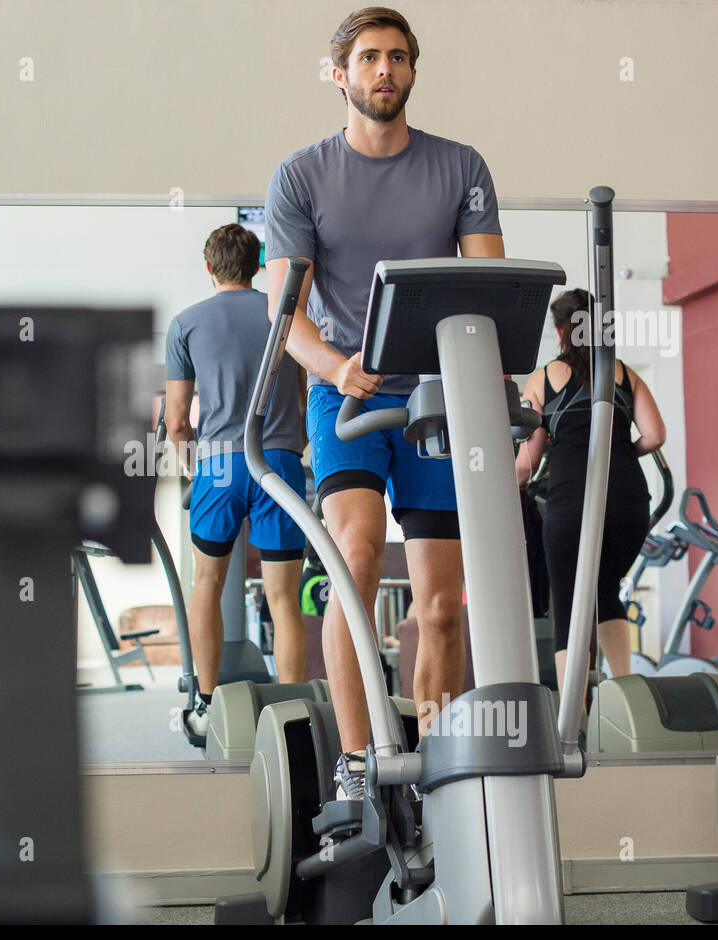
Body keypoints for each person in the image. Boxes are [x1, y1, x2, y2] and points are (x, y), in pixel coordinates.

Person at [265, 7, 505, 800]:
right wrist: (338, 366)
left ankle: (435, 769)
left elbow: (490, 289)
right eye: (369, 58)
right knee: (357, 558)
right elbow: (285, 314)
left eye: (399, 58)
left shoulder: (461, 167)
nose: (385, 70)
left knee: (440, 605)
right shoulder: (301, 176)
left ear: (411, 71)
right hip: (347, 405)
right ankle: (360, 763)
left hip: (438, 401)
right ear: (340, 74)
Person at [165, 224, 309, 740]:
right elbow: (301, 398)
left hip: (220, 464)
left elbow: (179, 421)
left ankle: (205, 708)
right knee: (284, 599)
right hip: (279, 461)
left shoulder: (186, 323)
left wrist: (192, 467)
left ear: (210, 268)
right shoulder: (284, 317)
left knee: (207, 585)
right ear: (256, 264)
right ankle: (295, 716)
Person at [516, 289, 667, 686]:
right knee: (605, 589)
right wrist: (620, 456)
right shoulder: (622, 373)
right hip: (628, 503)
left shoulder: (543, 380)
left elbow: (524, 467)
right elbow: (654, 435)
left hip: (570, 503)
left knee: (568, 605)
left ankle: (574, 728)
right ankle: (627, 698)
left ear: (559, 329)